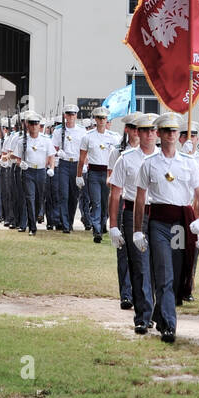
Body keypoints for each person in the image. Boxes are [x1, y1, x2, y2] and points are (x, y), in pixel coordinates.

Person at [132, 112, 199, 344]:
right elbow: (140, 199)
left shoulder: (189, 163)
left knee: (175, 273)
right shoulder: (150, 164)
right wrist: (137, 230)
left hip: (181, 223)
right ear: (159, 134)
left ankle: (160, 312)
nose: (172, 135)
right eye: (167, 131)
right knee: (164, 273)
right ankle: (169, 325)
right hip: (159, 223)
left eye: (175, 131)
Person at [108, 116, 158, 332]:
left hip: (159, 214)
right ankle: (143, 315)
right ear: (137, 132)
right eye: (144, 130)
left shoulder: (164, 158)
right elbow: (115, 194)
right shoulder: (126, 158)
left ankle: (157, 311)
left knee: (160, 266)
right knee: (139, 265)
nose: (148, 134)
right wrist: (113, 225)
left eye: (152, 130)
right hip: (132, 214)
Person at [108, 114, 144, 306]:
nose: (136, 131)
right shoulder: (119, 153)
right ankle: (126, 293)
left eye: (140, 128)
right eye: (132, 127)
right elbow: (110, 179)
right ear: (127, 129)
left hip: (144, 208)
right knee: (124, 251)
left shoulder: (150, 153)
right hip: (125, 204)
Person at [78, 106, 118, 241]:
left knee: (105, 203)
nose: (101, 121)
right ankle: (97, 230)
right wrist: (79, 175)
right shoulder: (88, 136)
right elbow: (82, 157)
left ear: (107, 120)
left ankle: (101, 225)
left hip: (108, 172)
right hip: (94, 172)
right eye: (99, 118)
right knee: (95, 202)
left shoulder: (114, 137)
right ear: (95, 119)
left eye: (104, 118)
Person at [14, 112, 56, 235]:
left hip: (41, 171)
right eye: (31, 124)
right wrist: (21, 164)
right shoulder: (22, 141)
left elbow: (51, 155)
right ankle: (32, 227)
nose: (34, 126)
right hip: (28, 171)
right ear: (27, 125)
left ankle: (35, 217)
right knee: (29, 198)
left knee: (39, 199)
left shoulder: (46, 140)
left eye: (36, 124)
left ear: (39, 125)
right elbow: (17, 158)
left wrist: (51, 168)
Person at [51, 104, 84, 233]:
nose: (71, 117)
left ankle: (69, 221)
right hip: (64, 164)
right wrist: (59, 153)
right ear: (65, 115)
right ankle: (65, 224)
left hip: (76, 164)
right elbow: (53, 148)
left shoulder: (82, 131)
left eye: (73, 114)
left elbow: (85, 150)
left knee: (73, 196)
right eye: (68, 114)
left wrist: (84, 165)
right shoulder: (59, 131)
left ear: (76, 116)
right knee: (63, 195)